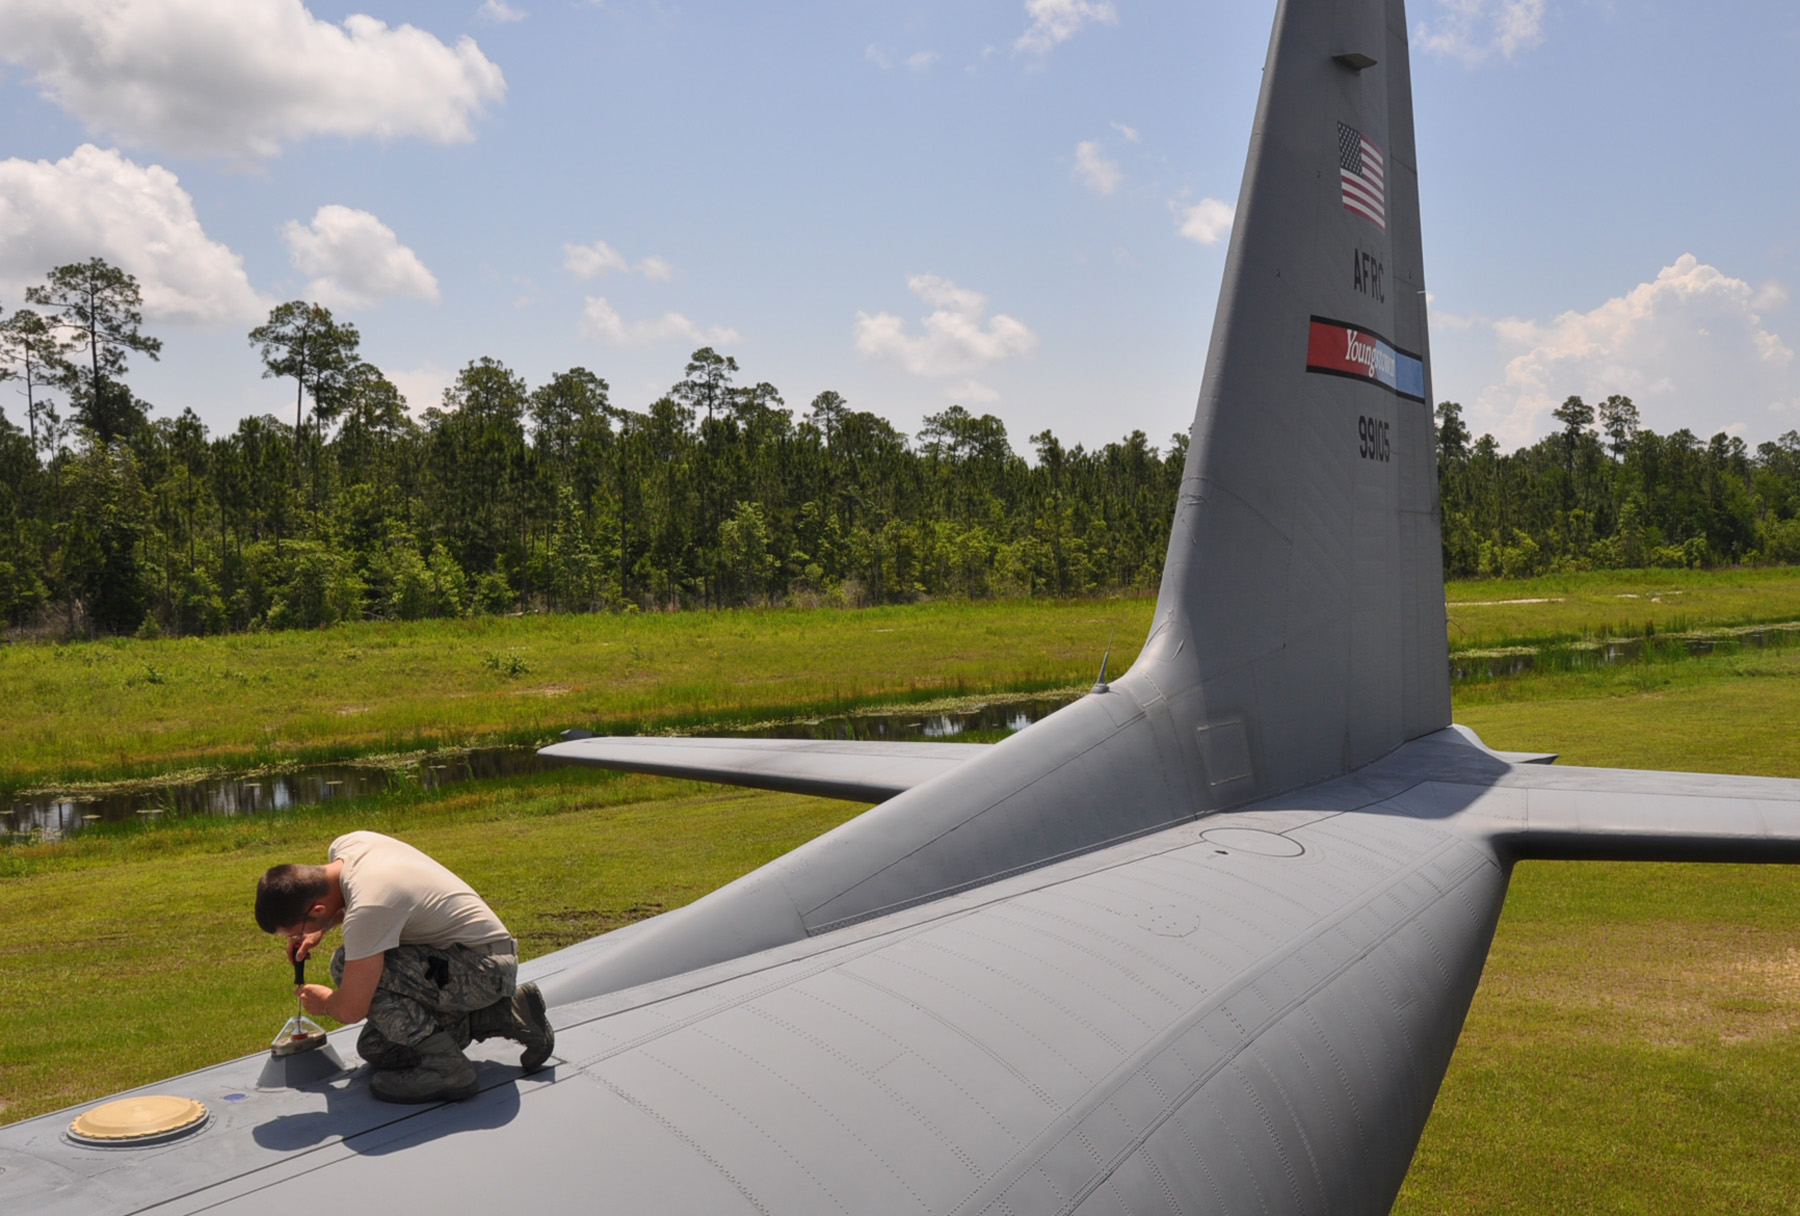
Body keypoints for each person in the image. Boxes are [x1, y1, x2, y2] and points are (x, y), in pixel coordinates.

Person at [254, 830, 554, 1104]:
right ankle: (505, 1015)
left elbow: (351, 1009)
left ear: (316, 909)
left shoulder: (369, 909)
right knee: (378, 1048)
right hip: (468, 957)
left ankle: (448, 1069)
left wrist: (326, 1002)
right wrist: (318, 928)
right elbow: (355, 902)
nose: (296, 939)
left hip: (484, 970)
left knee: (346, 964)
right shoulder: (350, 845)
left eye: (295, 931)